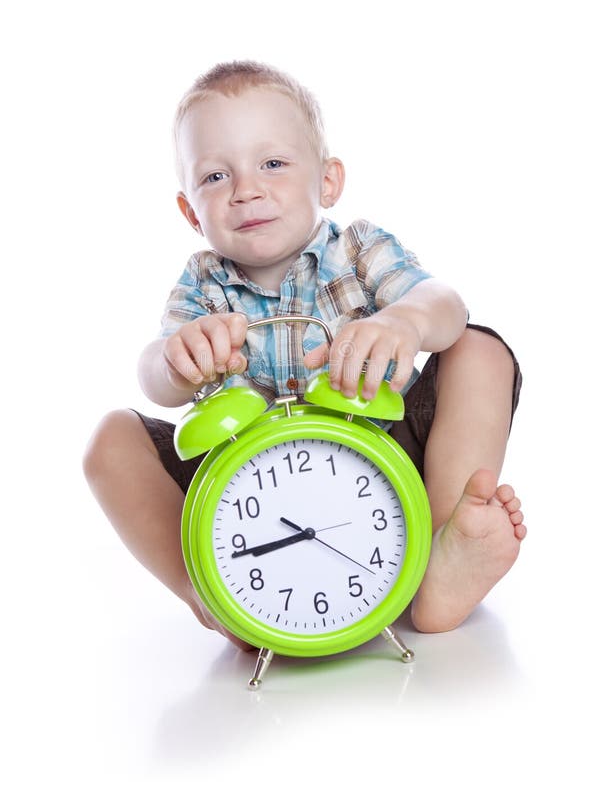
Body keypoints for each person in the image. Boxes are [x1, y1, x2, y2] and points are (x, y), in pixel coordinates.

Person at [83, 60, 526, 647]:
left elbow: (445, 303)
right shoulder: (203, 285)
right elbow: (156, 381)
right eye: (216, 177)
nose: (247, 190)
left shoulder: (358, 249)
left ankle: (446, 544)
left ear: (327, 181)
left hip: (387, 463)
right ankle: (212, 596)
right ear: (191, 211)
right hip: (245, 493)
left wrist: (406, 320)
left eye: (273, 164)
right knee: (109, 440)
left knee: (480, 348)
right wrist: (172, 359)